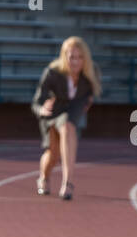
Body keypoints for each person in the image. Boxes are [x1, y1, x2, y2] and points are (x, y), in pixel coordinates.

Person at [31, 37, 100, 201]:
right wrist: (42, 108)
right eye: (71, 57)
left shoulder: (90, 74)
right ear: (64, 57)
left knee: (69, 128)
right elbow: (36, 102)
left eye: (79, 57)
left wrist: (87, 102)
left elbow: (89, 96)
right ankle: (43, 177)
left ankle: (67, 183)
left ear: (85, 59)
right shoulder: (52, 73)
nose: (75, 62)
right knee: (52, 155)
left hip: (73, 111)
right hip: (53, 112)